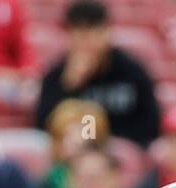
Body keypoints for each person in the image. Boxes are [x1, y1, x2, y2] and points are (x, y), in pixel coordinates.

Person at [35, 1, 159, 149]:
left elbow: (151, 123)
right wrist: (68, 88)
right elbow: (44, 126)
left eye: (92, 30)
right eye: (79, 32)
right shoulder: (57, 75)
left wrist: (107, 141)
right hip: (74, 153)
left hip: (124, 151)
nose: (86, 40)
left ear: (107, 31)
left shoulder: (131, 71)